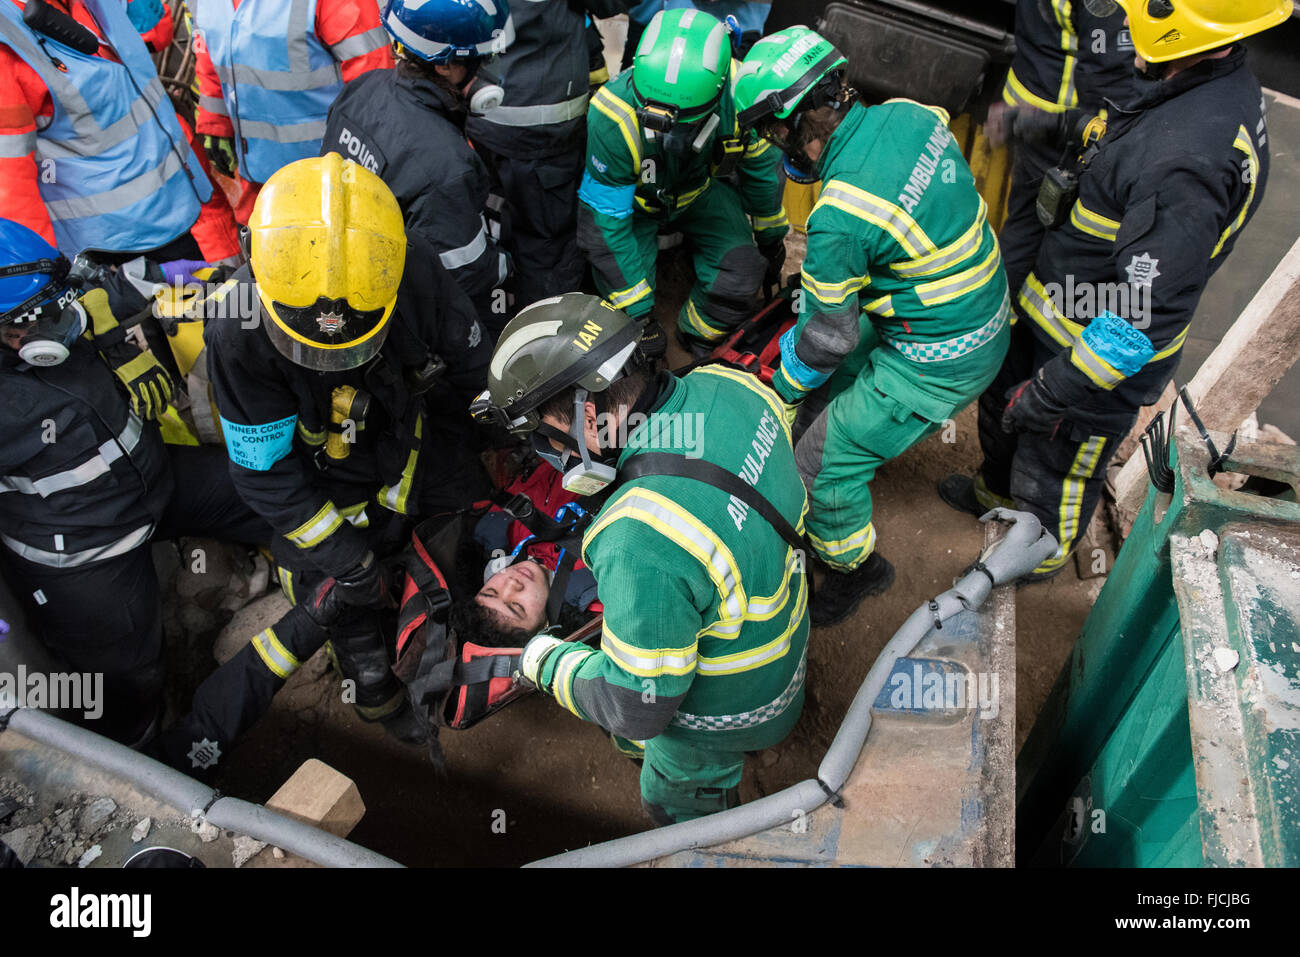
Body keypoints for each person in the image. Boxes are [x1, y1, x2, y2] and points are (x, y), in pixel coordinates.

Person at [941, 0, 1286, 579]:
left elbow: (1143, 319)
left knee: (1054, 468)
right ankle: (990, 495)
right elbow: (1123, 130)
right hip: (1058, 310)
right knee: (1003, 412)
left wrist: (1056, 390)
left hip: (1088, 363)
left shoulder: (1187, 165)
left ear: (1182, 23)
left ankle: (1035, 556)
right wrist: (1049, 126)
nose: (1123, 21)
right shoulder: (1193, 81)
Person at [481, 292, 809, 824]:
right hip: (782, 645)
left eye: (543, 435)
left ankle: (704, 826)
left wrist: (543, 661)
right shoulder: (728, 384)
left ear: (587, 420)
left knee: (675, 806)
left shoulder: (637, 535)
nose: (547, 452)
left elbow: (636, 708)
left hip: (736, 709)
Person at [201, 152, 493, 737]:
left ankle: (462, 661)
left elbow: (471, 371)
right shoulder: (238, 328)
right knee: (346, 596)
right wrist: (342, 555)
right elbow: (263, 470)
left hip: (412, 443)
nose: (331, 362)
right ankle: (379, 701)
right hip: (319, 482)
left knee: (470, 537)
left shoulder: (408, 268)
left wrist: (498, 433)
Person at [733, 27, 1011, 625]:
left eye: (769, 131)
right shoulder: (910, 114)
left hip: (935, 362)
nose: (772, 144)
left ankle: (855, 570)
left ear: (791, 125)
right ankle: (832, 425)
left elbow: (827, 337)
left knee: (820, 467)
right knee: (835, 380)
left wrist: (783, 387)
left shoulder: (839, 219)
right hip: (977, 310)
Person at [0, 217, 268, 746]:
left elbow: (145, 282)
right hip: (86, 555)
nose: (61, 321)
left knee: (261, 487)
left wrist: (219, 281)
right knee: (129, 676)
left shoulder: (65, 307)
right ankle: (141, 758)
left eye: (59, 301)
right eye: (34, 318)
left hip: (154, 482)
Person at [579, 7, 788, 358]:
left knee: (741, 272)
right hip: (636, 206)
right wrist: (641, 316)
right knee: (622, 297)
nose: (671, 138)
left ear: (719, 91)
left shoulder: (745, 96)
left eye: (685, 124)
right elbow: (604, 224)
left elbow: (762, 174)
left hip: (701, 193)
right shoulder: (611, 115)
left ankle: (697, 335)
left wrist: (771, 239)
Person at [322, 0, 514, 335]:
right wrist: (508, 265)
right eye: (482, 58)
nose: (487, 68)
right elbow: (464, 272)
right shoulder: (447, 167)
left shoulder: (362, 89)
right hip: (408, 319)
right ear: (444, 67)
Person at [0, 0, 238, 262]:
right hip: (124, 257)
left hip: (196, 208)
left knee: (240, 299)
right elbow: (10, 191)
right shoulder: (8, 41)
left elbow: (157, 29)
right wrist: (46, 286)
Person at [464, 0, 630, 307]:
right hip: (541, 129)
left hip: (482, 112)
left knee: (494, 214)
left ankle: (502, 306)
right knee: (547, 243)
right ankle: (547, 329)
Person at [192, 0, 394, 224]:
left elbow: (373, 80)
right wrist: (215, 123)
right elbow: (210, 53)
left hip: (332, 182)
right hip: (259, 183)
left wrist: (369, 158)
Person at [991, 0, 1140, 298]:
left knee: (1024, 223)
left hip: (1030, 107)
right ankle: (1004, 318)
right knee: (1041, 233)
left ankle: (996, 313)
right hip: (1061, 129)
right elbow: (1107, 79)